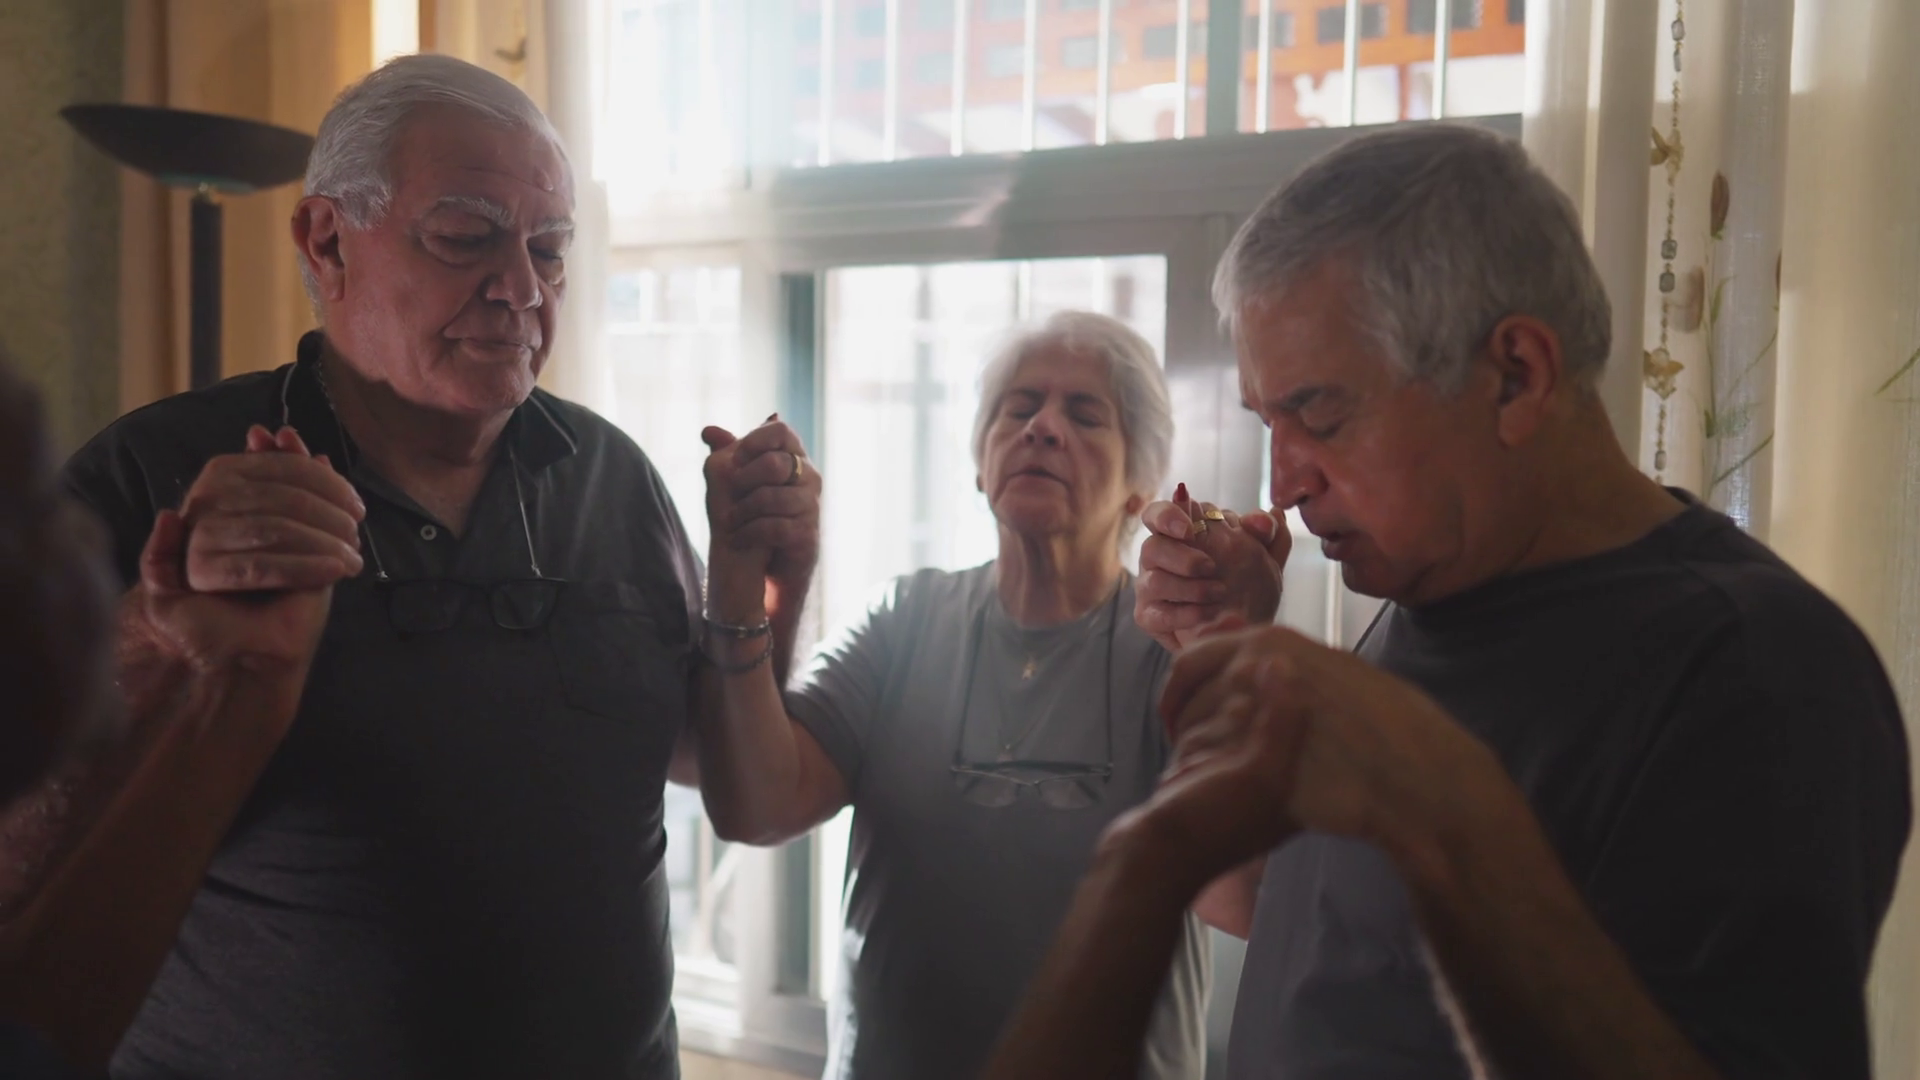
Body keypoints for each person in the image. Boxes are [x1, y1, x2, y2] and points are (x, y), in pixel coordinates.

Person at [984, 124, 1910, 1080]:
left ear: (1516, 375)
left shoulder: (1753, 672)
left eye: (1322, 415)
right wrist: (1216, 656)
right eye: (1269, 422)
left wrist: (1454, 826)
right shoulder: (1431, 592)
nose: (1284, 483)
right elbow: (1292, 924)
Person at [10, 55, 818, 1079]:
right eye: (466, 237)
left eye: (551, 248)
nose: (520, 288)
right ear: (327, 239)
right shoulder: (158, 475)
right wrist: (158, 634)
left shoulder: (613, 476)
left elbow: (705, 757)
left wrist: (767, 584)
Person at [693, 311, 1214, 1080]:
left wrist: (1231, 636)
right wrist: (740, 575)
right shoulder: (901, 620)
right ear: (979, 460)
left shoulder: (1174, 653)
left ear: (1141, 485)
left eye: (1084, 413)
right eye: (1020, 406)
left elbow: (1257, 895)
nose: (1042, 427)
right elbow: (757, 808)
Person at [0, 355, 321, 1076]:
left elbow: (41, 1025)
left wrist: (251, 678)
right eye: (41, 512)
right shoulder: (143, 458)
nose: (91, 543)